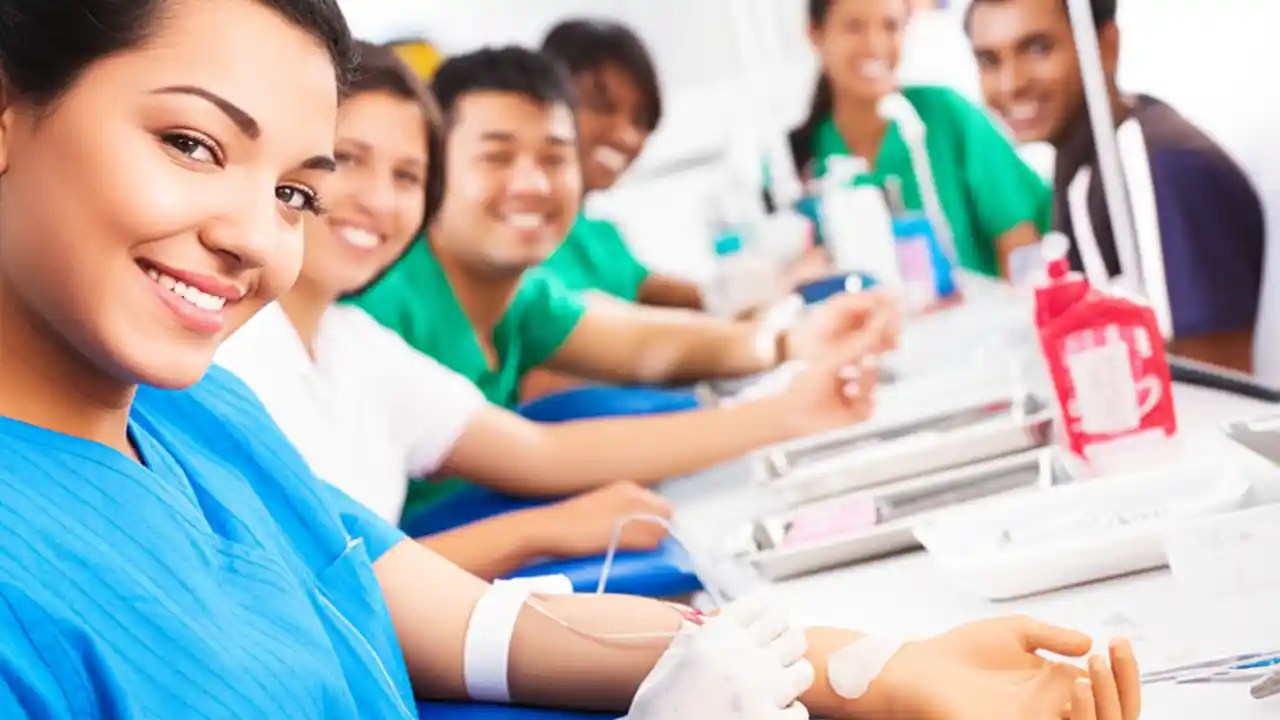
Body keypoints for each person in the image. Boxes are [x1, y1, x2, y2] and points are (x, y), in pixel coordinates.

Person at [0, 0, 1143, 717]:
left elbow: (483, 629)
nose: (256, 237)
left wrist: (879, 673)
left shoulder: (204, 420)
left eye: (296, 190)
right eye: (192, 144)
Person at [215, 43, 882, 579]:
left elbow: (544, 449)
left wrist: (795, 406)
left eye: (407, 176)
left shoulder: (350, 340)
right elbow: (314, 582)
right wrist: (541, 531)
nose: (380, 200)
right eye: (347, 161)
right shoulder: (231, 348)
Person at [350, 47, 895, 413]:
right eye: (496, 157)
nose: (532, 184)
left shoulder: (523, 297)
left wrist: (793, 338)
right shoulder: (386, 308)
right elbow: (533, 454)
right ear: (434, 168)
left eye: (554, 157)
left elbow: (649, 344)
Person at [966, 0, 1265, 372]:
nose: (1011, 84)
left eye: (1038, 48)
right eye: (989, 61)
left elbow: (1220, 384)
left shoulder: (1162, 167)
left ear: (1107, 45)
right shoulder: (1077, 159)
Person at [792, 0, 1052, 278]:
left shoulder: (947, 117)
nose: (875, 44)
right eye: (854, 27)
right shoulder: (803, 159)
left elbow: (1021, 244)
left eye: (890, 26)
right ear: (816, 34)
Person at [536, 19, 707, 310]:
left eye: (640, 121)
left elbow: (675, 294)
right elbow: (581, 325)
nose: (626, 136)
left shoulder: (602, 237)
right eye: (601, 106)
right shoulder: (521, 231)